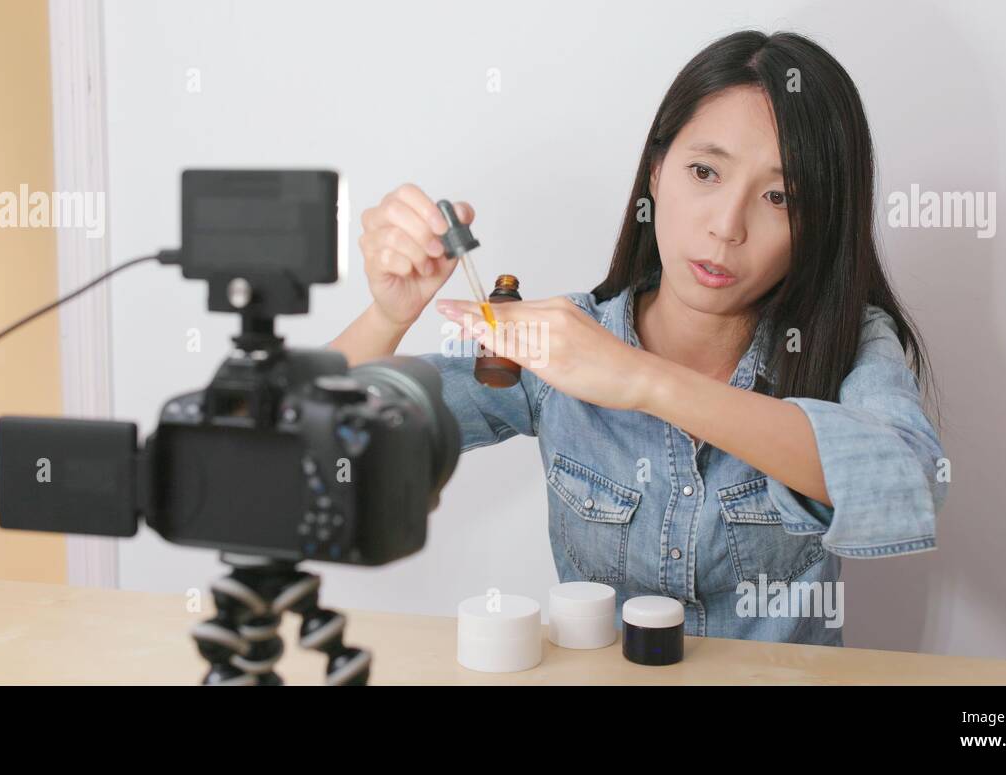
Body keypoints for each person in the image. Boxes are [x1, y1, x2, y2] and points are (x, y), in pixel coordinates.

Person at [329, 30, 947, 645]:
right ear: (656, 171)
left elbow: (906, 485)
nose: (726, 227)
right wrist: (388, 313)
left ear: (820, 220)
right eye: (705, 172)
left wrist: (643, 380)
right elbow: (324, 449)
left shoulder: (848, 342)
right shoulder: (562, 342)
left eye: (779, 196)